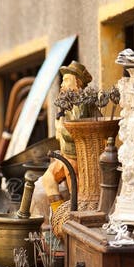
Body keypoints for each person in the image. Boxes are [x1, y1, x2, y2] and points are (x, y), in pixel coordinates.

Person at [40, 60, 94, 210]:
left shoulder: (81, 104)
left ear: (77, 83)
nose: (62, 85)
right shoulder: (69, 104)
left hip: (76, 158)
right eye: (62, 81)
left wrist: (60, 125)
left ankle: (72, 217)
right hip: (67, 156)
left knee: (77, 196)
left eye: (66, 80)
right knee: (48, 179)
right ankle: (59, 213)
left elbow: (75, 132)